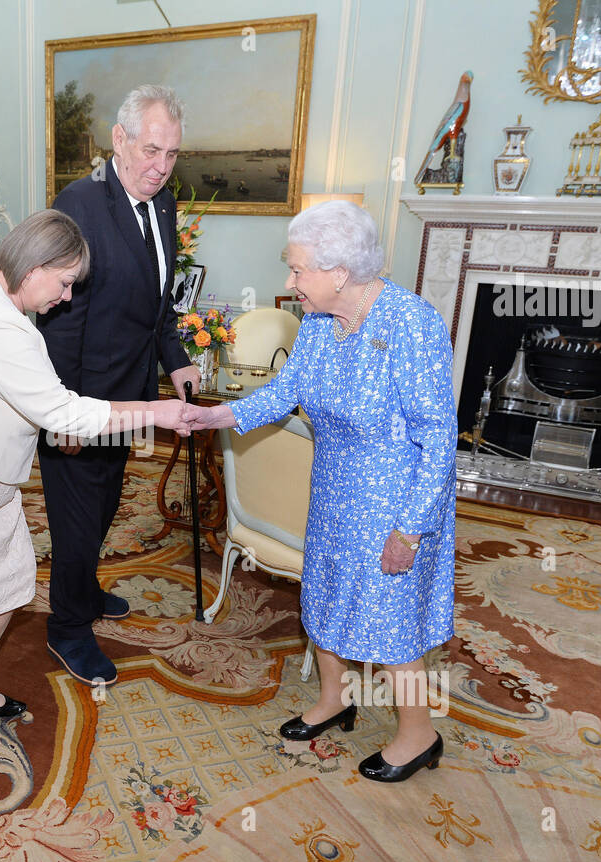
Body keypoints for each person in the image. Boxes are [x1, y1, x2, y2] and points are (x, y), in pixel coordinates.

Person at [0, 210, 191, 724]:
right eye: (65, 283)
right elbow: (62, 411)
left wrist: (63, 420)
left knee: (8, 583)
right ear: (35, 267)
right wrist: (157, 412)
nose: (67, 297)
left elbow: (32, 400)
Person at [182, 200, 457, 783]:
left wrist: (412, 529)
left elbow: (438, 438)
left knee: (391, 623)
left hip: (394, 503)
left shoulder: (411, 323)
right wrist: (215, 416)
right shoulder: (318, 323)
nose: (290, 282)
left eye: (298, 269)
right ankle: (335, 700)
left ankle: (419, 734)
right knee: (326, 596)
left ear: (339, 272)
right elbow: (283, 394)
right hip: (333, 489)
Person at [37, 85, 200, 687]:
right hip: (81, 399)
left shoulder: (163, 204)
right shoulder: (79, 203)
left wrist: (176, 359)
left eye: (172, 155)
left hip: (130, 397)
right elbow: (59, 321)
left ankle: (84, 589)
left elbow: (157, 306)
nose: (162, 167)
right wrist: (64, 415)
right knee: (75, 518)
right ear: (119, 140)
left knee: (104, 505)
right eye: (151, 151)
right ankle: (68, 627)